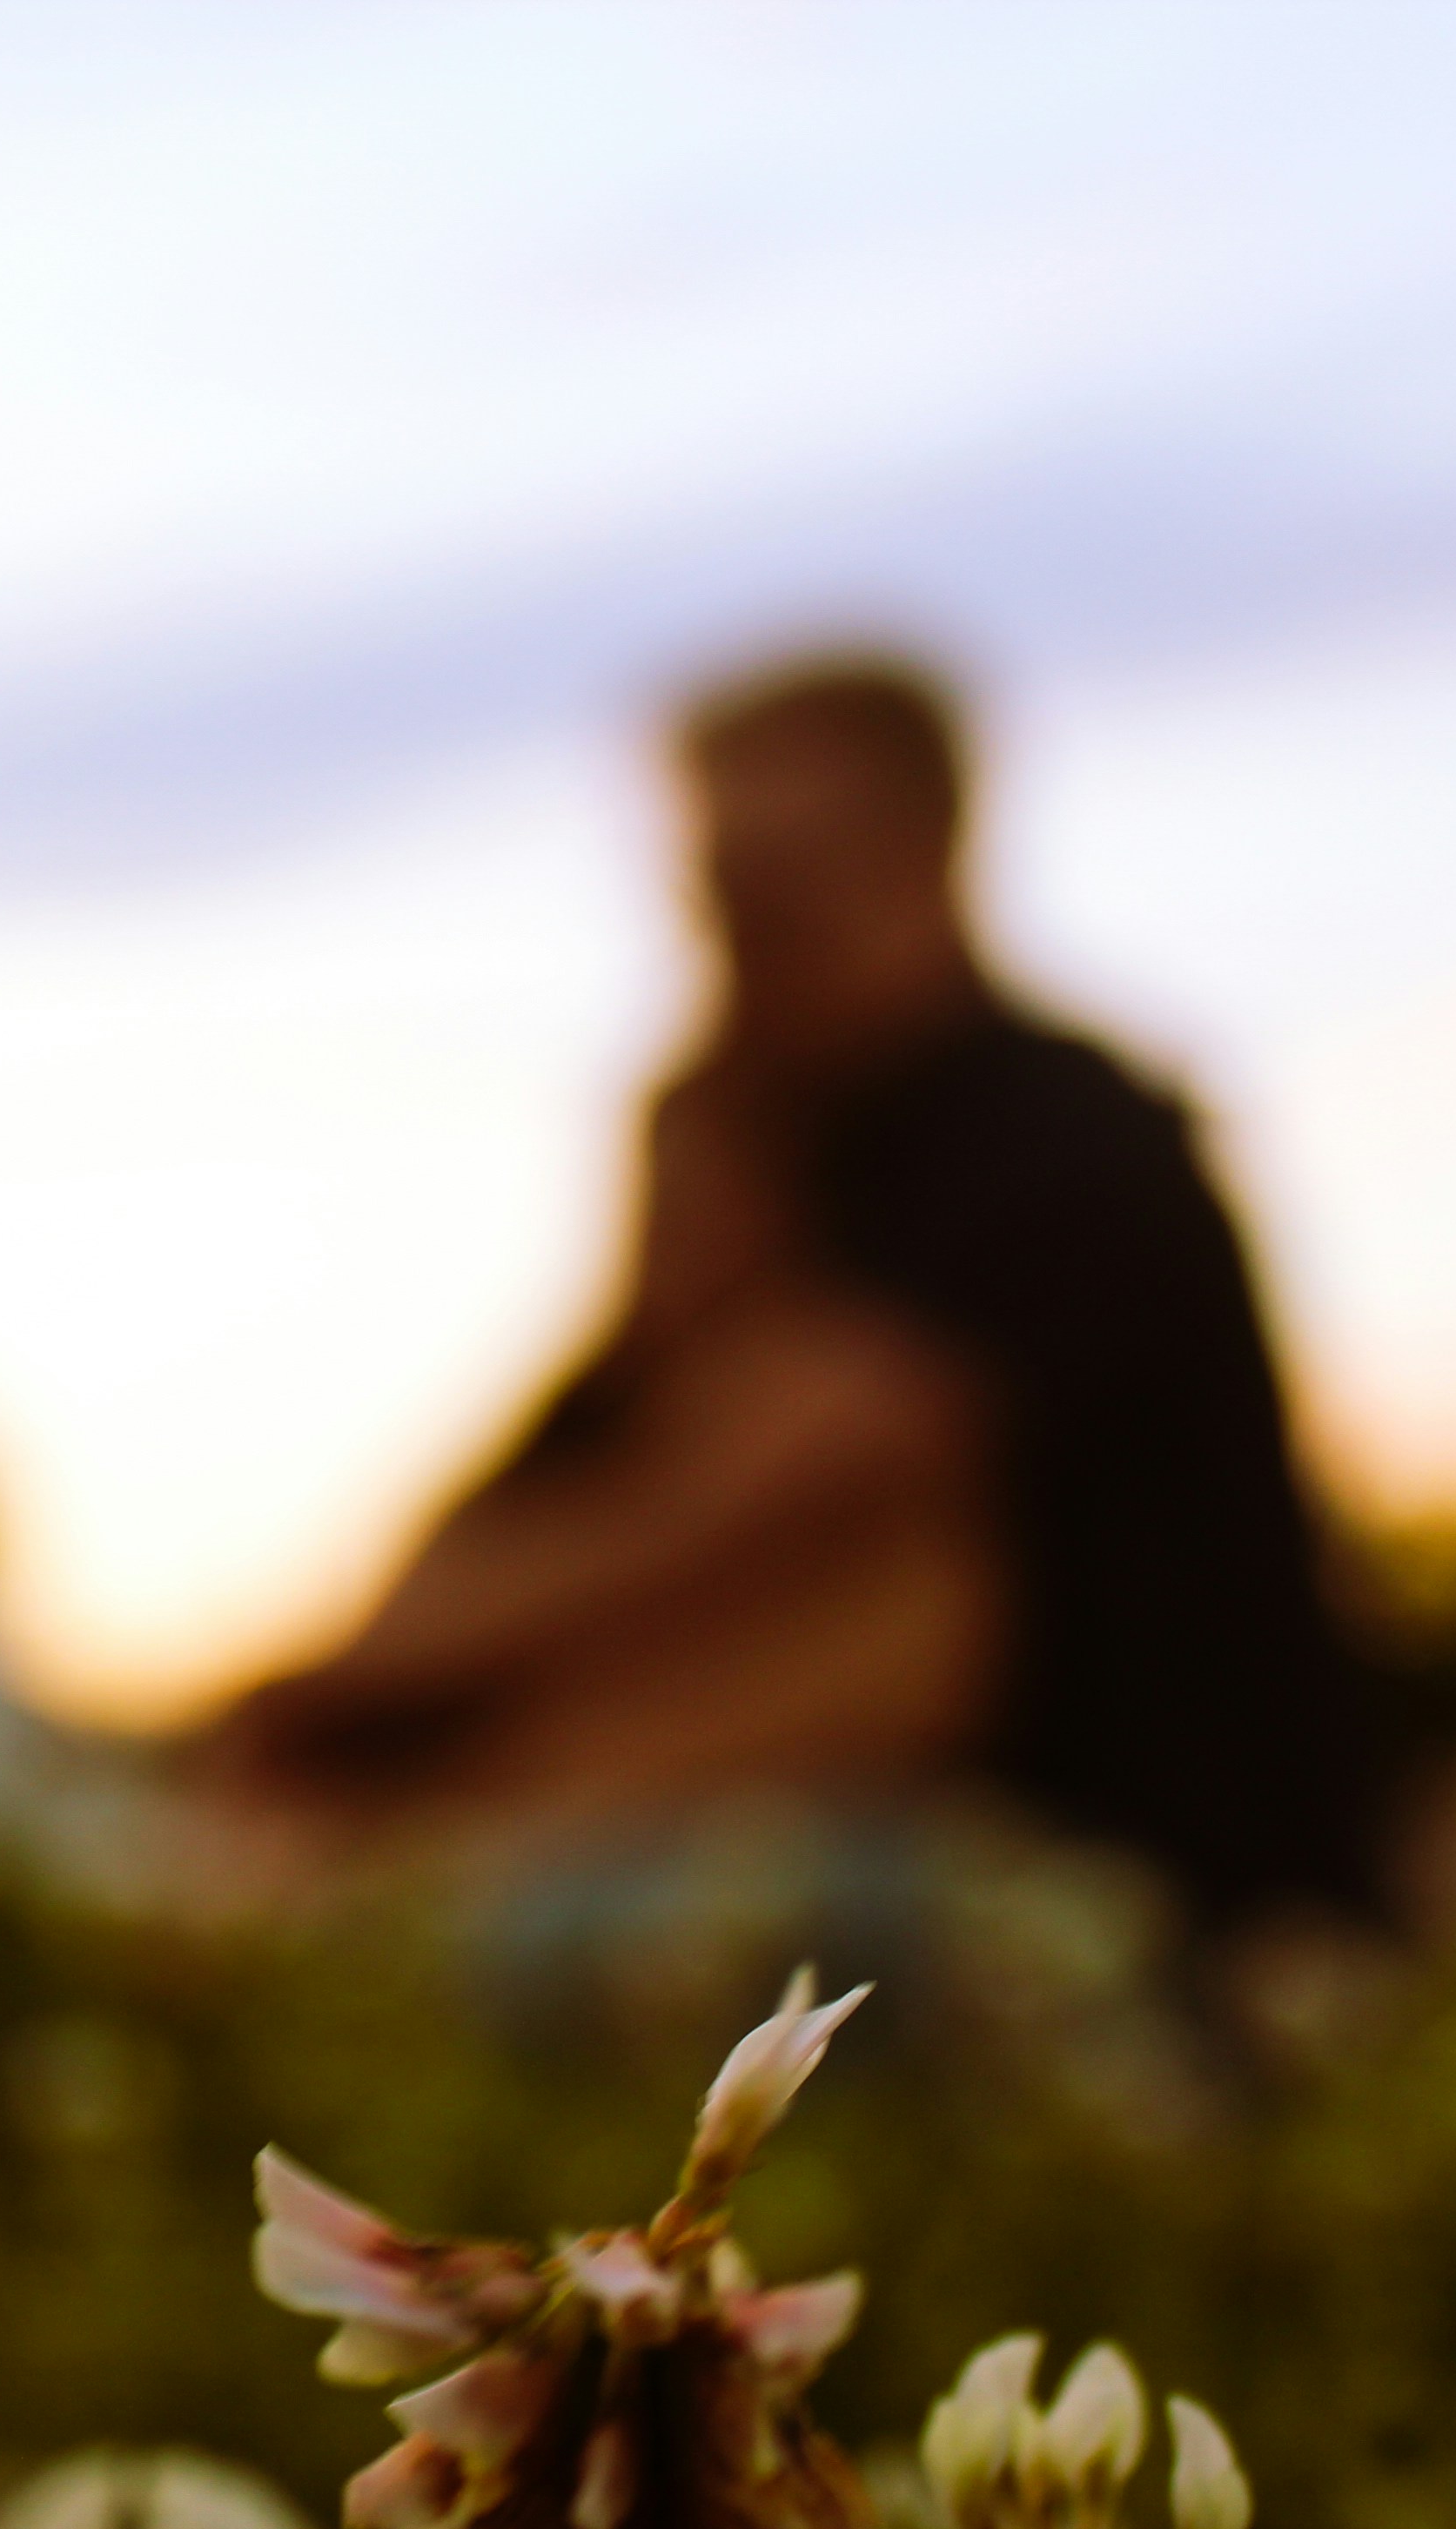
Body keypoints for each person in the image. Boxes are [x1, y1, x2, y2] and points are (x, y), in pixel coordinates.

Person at [208, 651, 1383, 1942]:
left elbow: (740, 1520)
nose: (734, 937)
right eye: (715, 885)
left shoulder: (1055, 1142)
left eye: (782, 873)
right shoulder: (769, 1167)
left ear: (926, 841)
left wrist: (337, 1727)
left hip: (1146, 1910)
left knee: (496, 1944)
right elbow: (542, 1522)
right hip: (944, 1884)